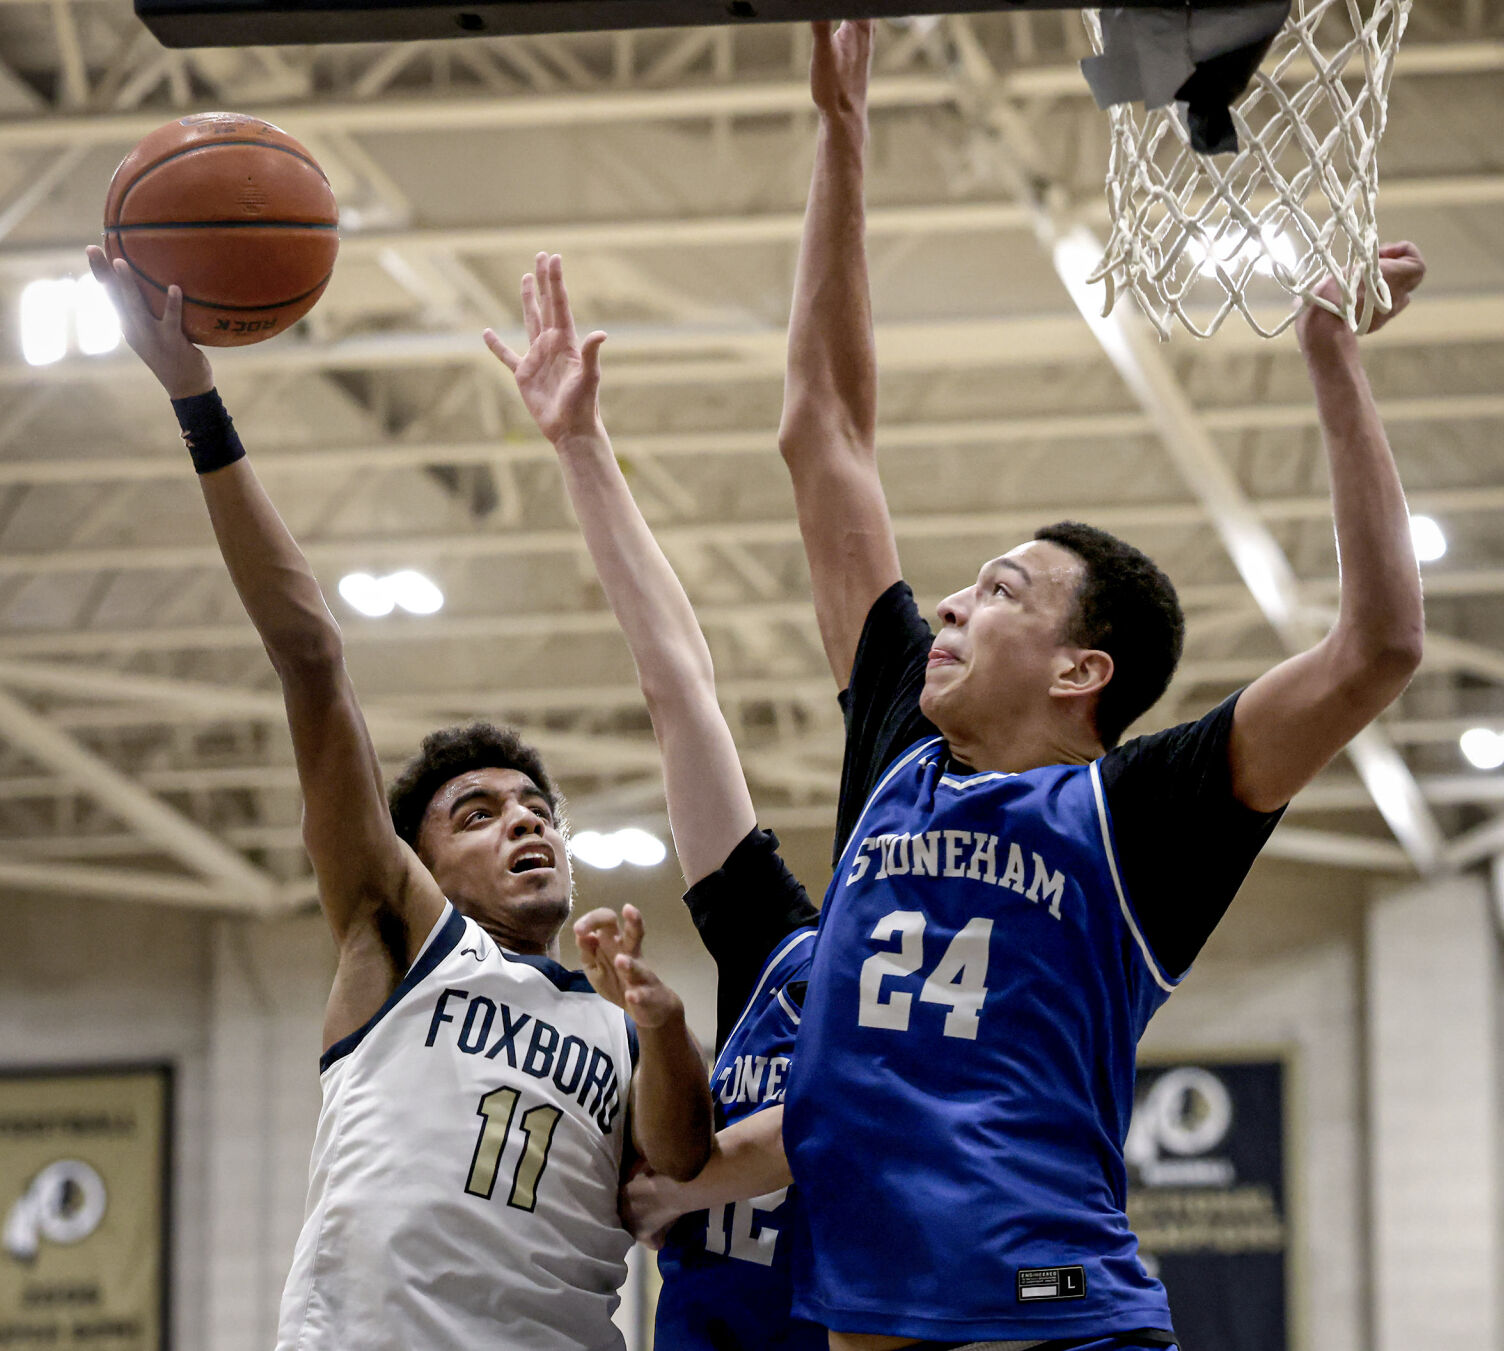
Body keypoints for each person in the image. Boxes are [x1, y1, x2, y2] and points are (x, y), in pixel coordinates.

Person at [774, 21, 1426, 1351]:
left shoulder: (1131, 812)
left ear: (1083, 669)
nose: (951, 602)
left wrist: (1328, 360)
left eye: (1000, 589)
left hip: (1053, 1320)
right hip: (870, 1321)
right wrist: (840, 141)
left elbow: (1375, 649)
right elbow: (821, 431)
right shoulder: (900, 735)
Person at [84, 245, 714, 1351]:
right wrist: (195, 398)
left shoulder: (613, 1022)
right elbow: (310, 653)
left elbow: (678, 1169)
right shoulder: (402, 941)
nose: (525, 819)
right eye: (477, 812)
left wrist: (660, 1030)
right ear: (417, 865)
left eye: (535, 806)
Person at [485, 251, 827, 1351]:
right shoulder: (785, 945)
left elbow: (851, 1121)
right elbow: (678, 688)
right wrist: (581, 448)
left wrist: (704, 1178)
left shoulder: (974, 984)